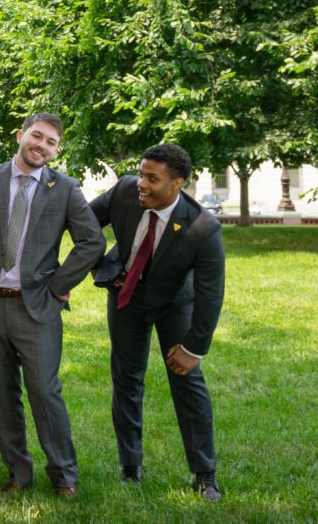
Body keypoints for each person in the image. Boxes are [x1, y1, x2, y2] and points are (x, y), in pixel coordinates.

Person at [0, 112, 105, 497]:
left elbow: (92, 242)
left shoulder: (65, 188)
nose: (42, 145)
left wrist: (59, 286)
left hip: (37, 307)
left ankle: (64, 475)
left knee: (44, 391)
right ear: (21, 135)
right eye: (37, 136)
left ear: (56, 150)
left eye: (51, 142)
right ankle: (18, 473)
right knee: (0, 394)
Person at [88, 144, 225, 501]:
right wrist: (101, 265)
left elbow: (211, 294)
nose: (142, 184)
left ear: (177, 184)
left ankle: (204, 474)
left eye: (153, 179)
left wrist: (194, 348)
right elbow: (83, 221)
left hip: (173, 303)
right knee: (127, 380)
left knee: (187, 382)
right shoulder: (123, 191)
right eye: (142, 173)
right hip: (127, 298)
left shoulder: (203, 228)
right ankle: (130, 467)